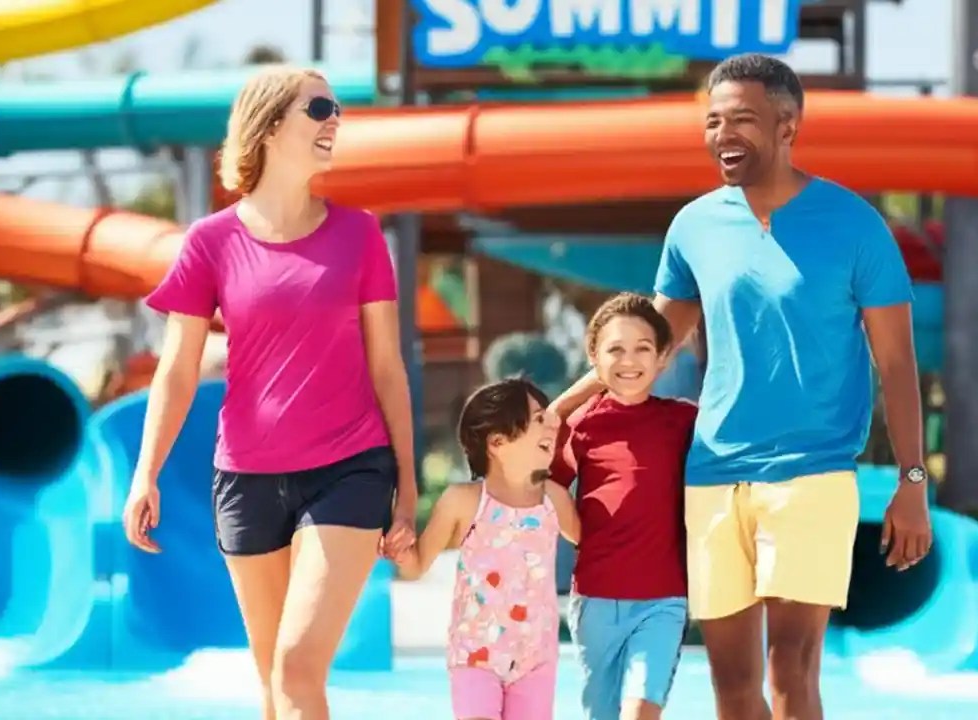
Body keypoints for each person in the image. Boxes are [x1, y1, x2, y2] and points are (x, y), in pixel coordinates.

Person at [553, 53, 933, 720]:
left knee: (792, 667)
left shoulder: (855, 226)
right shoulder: (694, 227)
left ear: (787, 125)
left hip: (812, 475)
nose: (722, 135)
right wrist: (555, 411)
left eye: (742, 121)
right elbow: (647, 347)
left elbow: (896, 363)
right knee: (731, 682)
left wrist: (912, 481)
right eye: (713, 121)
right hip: (713, 476)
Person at [121, 64, 418, 720]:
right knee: (272, 688)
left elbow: (388, 367)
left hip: (349, 470)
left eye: (336, 108)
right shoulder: (210, 242)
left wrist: (408, 481)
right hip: (246, 477)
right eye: (319, 108)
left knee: (298, 668)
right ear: (269, 125)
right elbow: (175, 369)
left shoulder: (360, 234)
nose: (334, 119)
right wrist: (146, 474)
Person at [389, 378, 580, 720]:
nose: (551, 425)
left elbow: (593, 544)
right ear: (497, 442)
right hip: (475, 654)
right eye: (538, 418)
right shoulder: (464, 502)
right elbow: (417, 566)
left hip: (535, 657)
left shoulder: (554, 500)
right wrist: (402, 552)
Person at [548, 293, 698, 720]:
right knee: (603, 713)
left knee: (639, 711)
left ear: (663, 357)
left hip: (663, 600)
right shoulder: (582, 425)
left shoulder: (684, 421)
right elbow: (551, 487)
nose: (628, 360)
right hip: (594, 599)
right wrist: (583, 535)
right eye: (615, 349)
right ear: (594, 356)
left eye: (642, 349)